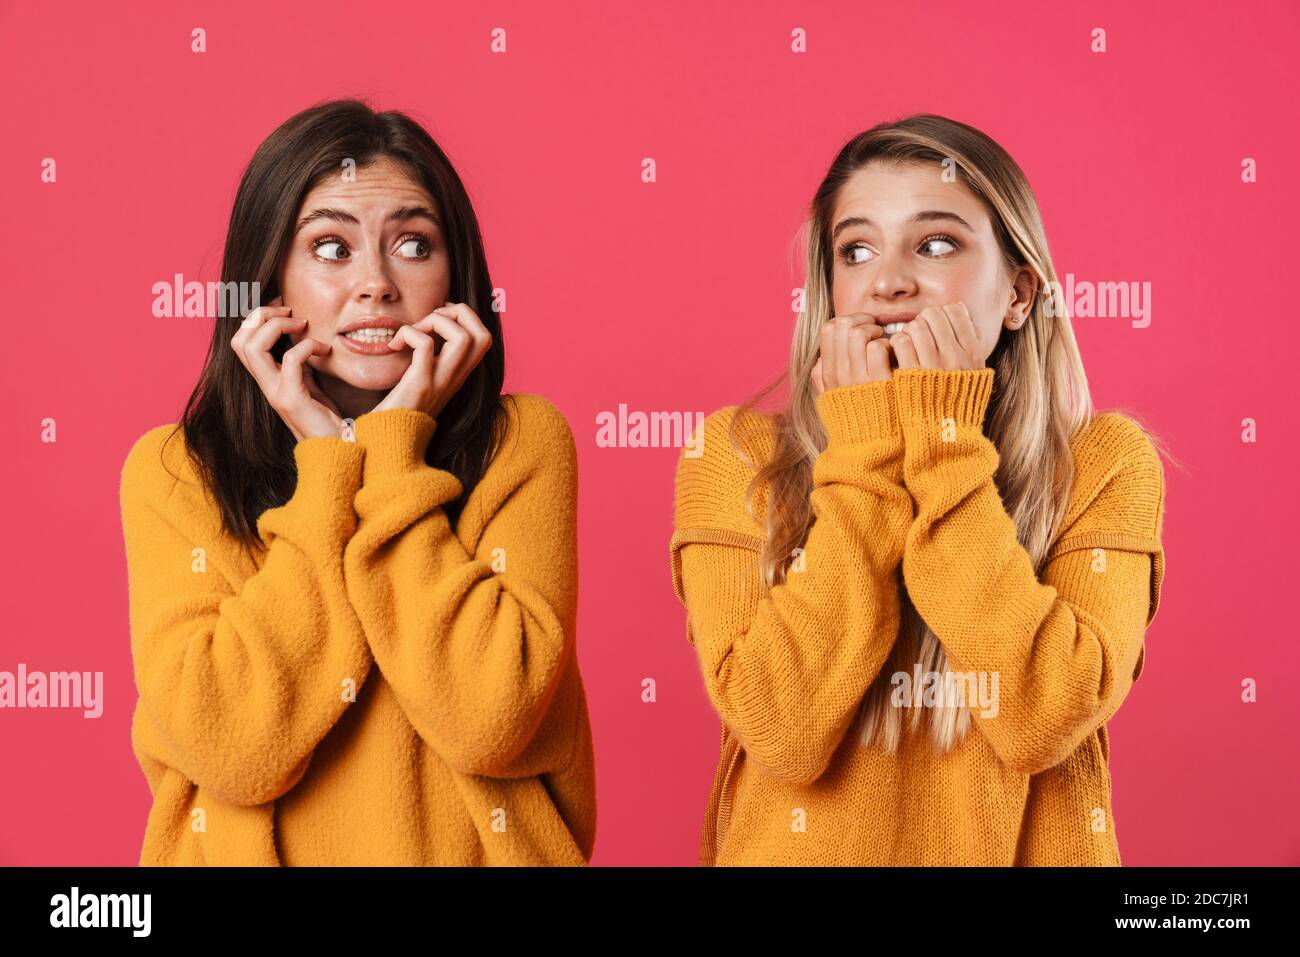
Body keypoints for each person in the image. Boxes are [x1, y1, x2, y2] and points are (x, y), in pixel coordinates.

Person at [669, 114, 1168, 866]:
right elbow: (781, 730)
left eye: (936, 244)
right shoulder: (735, 457)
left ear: (1020, 295)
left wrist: (945, 438)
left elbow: (1041, 715)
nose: (888, 281)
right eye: (857, 249)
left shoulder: (1105, 465)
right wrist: (866, 449)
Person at [120, 98, 595, 865]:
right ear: (267, 275)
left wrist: (394, 452)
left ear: (455, 276)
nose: (375, 283)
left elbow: (489, 718)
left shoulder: (522, 444)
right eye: (332, 248)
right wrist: (328, 468)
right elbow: (232, 746)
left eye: (412, 243)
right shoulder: (177, 472)